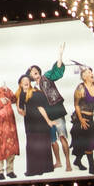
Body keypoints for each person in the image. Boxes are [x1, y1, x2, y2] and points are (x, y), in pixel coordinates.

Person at [28, 44, 72, 173]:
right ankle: (58, 162)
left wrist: (60, 55)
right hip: (46, 115)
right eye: (31, 73)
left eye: (35, 71)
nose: (34, 73)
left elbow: (57, 71)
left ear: (39, 72)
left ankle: (68, 163)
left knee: (62, 136)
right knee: (52, 140)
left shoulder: (46, 76)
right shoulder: (32, 89)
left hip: (56, 110)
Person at [15, 75, 55, 176]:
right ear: (20, 83)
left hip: (40, 123)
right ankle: (35, 170)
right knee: (33, 146)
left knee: (41, 145)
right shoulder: (22, 95)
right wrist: (18, 101)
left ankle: (41, 169)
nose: (26, 81)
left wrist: (48, 121)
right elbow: (22, 112)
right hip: (30, 124)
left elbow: (41, 108)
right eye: (23, 80)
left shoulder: (36, 93)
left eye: (28, 80)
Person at [71, 66, 94, 175]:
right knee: (89, 142)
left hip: (90, 118)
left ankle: (77, 160)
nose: (91, 73)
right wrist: (81, 120)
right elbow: (76, 105)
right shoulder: (80, 88)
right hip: (81, 118)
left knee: (84, 143)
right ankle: (92, 167)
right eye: (89, 72)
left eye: (91, 71)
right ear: (84, 76)